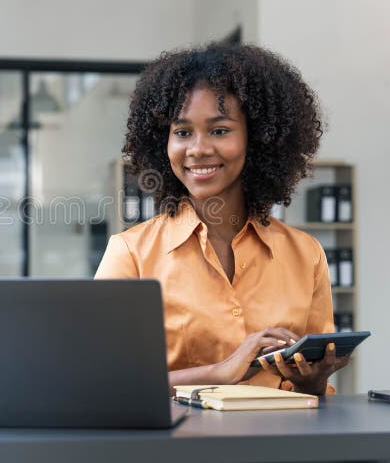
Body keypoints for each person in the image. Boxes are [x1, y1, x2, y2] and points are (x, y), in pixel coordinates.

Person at [95, 43, 350, 395]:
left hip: (282, 446)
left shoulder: (306, 254)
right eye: (182, 132)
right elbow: (103, 382)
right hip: (177, 449)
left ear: (258, 139)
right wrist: (219, 371)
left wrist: (314, 379)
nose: (198, 148)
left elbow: (313, 391)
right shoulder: (131, 254)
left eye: (219, 130)